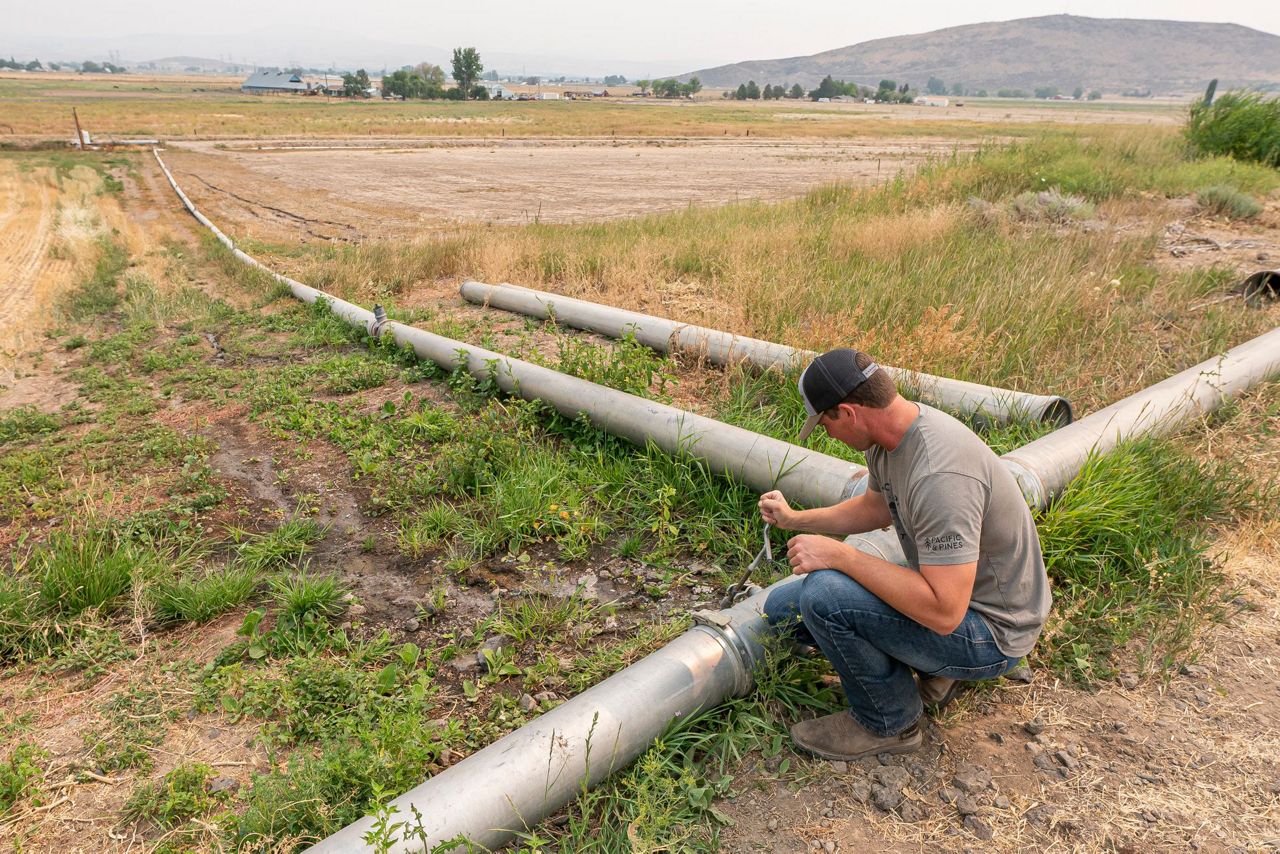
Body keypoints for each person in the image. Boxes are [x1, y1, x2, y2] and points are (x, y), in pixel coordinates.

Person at [760, 348, 1050, 761]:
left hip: (992, 631)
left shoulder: (939, 476)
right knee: (784, 612)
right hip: (958, 601)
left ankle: (890, 721)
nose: (827, 435)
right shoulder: (892, 436)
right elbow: (877, 506)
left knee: (824, 598)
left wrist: (843, 558)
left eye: (825, 424)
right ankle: (936, 670)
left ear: (848, 413)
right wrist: (795, 519)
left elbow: (945, 612)